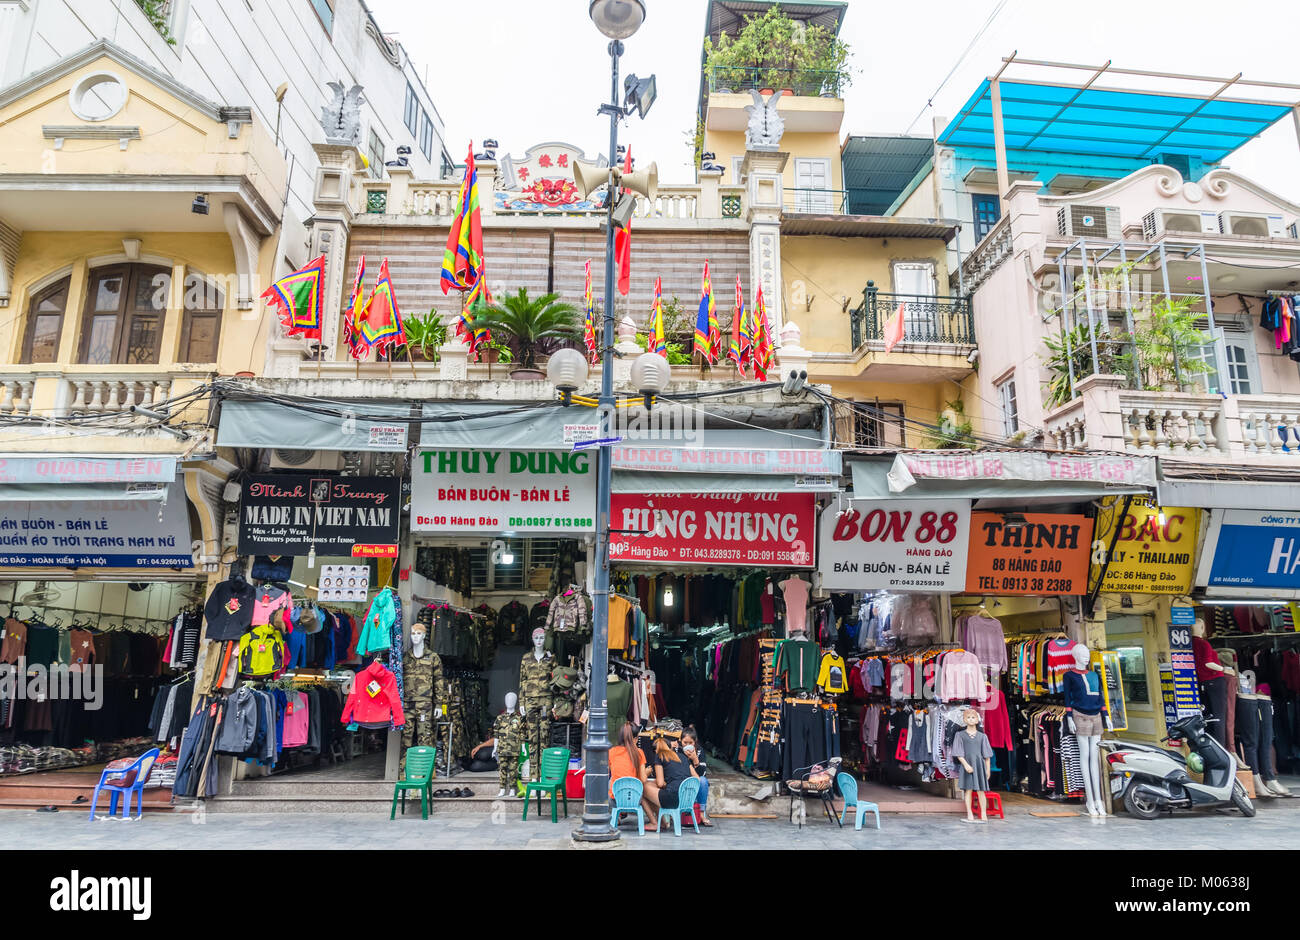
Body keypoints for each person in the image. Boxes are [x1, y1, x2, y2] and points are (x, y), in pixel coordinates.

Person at [609, 722, 658, 831]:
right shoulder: (639, 752)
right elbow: (643, 779)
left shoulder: (611, 752)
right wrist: (648, 771)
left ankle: (616, 818)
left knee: (611, 782)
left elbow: (616, 772)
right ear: (635, 739)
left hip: (615, 799)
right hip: (635, 799)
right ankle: (654, 822)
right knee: (642, 789)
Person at [652, 735, 699, 818]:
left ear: (656, 751)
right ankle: (661, 821)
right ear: (670, 747)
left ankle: (656, 822)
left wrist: (667, 783)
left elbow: (660, 783)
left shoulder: (659, 755)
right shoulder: (683, 757)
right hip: (687, 799)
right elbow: (697, 779)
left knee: (645, 787)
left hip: (673, 799)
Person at [680, 728, 713, 826]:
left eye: (691, 742)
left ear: (695, 742)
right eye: (685, 742)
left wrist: (695, 759)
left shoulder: (699, 751)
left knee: (703, 781)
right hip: (681, 778)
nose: (687, 745)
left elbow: (702, 774)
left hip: (696, 779)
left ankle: (701, 814)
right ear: (680, 740)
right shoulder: (677, 749)